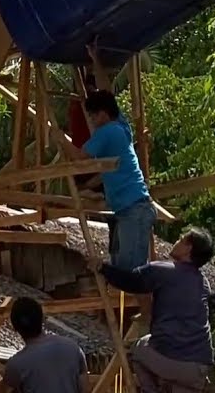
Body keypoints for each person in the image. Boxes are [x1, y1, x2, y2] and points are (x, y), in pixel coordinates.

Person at [93, 229, 215, 393]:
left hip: (173, 362)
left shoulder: (165, 271)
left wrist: (102, 268)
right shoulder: (203, 283)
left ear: (188, 248)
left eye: (181, 239)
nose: (176, 242)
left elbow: (131, 281)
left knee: (138, 349)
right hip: (199, 369)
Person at [70, 46, 154, 271]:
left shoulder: (107, 131)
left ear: (103, 114)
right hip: (130, 208)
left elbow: (80, 157)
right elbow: (107, 89)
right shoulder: (120, 124)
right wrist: (95, 59)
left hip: (132, 210)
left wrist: (58, 137)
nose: (92, 120)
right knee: (123, 271)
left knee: (130, 274)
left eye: (93, 116)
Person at [0, 297, 90, 393]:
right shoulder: (73, 348)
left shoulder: (16, 364)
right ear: (41, 319)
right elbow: (85, 389)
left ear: (15, 327)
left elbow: (3, 391)